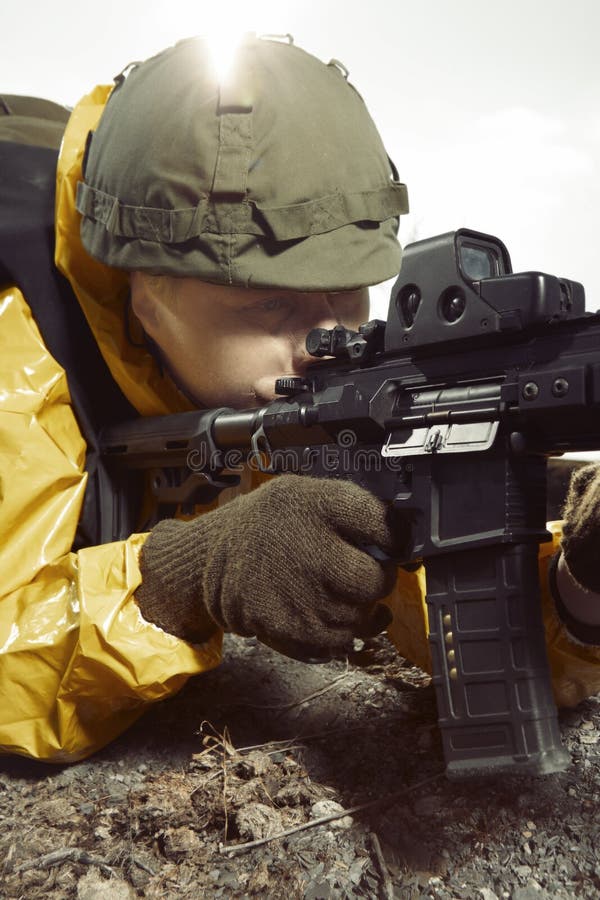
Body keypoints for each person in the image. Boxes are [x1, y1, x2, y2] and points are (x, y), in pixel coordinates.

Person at [0, 35, 599, 765]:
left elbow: (458, 608)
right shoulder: (19, 346)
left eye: (347, 293)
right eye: (269, 309)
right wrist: (184, 579)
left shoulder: (293, 384)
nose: (324, 341)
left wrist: (583, 585)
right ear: (145, 294)